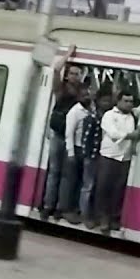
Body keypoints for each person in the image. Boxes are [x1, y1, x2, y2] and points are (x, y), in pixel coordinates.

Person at [92, 90, 140, 234]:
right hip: (108, 156)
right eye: (126, 101)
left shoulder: (132, 117)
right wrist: (132, 135)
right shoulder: (109, 116)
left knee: (118, 190)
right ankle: (102, 218)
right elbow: (113, 135)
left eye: (131, 102)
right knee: (104, 188)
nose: (129, 104)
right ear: (118, 101)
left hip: (124, 159)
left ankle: (114, 218)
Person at [40, 65, 84, 220]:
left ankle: (60, 207)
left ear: (81, 76)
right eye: (71, 73)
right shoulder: (61, 88)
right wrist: (68, 53)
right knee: (54, 171)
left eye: (76, 74)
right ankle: (48, 205)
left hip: (71, 137)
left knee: (67, 174)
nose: (73, 76)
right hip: (58, 134)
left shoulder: (82, 92)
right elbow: (56, 69)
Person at [57, 86, 93, 222]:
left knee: (79, 181)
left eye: (88, 95)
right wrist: (70, 153)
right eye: (84, 95)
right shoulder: (75, 112)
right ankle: (65, 209)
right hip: (75, 149)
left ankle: (74, 208)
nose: (87, 97)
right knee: (69, 180)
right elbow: (69, 134)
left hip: (85, 149)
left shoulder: (91, 110)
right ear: (79, 97)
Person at [79, 91, 113, 228]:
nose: (106, 103)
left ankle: (93, 214)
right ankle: (84, 214)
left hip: (103, 157)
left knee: (97, 187)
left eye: (109, 101)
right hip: (92, 156)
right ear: (98, 101)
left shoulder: (108, 118)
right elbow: (86, 139)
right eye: (104, 100)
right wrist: (86, 156)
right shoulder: (92, 118)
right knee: (88, 186)